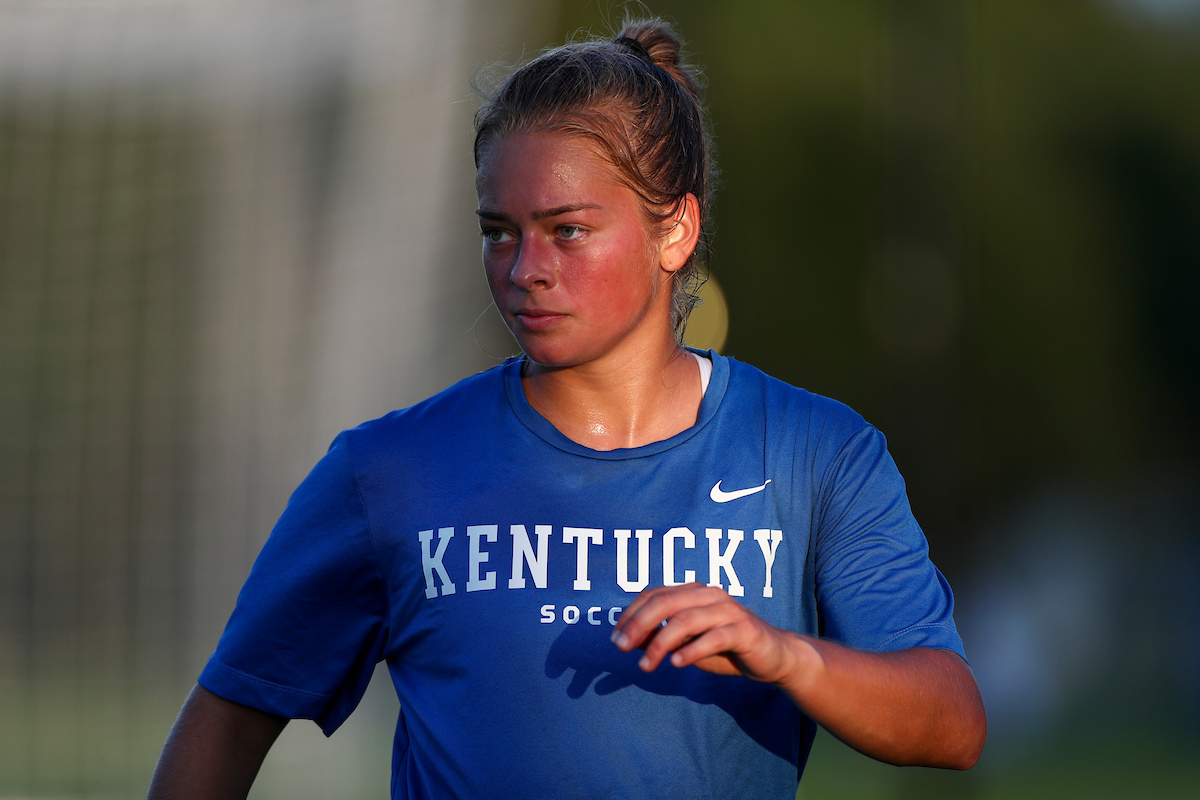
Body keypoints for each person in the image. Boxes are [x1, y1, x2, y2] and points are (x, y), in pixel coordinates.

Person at [148, 17, 985, 800]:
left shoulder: (815, 454)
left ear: (675, 231)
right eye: (499, 231)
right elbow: (229, 716)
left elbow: (951, 723)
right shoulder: (388, 471)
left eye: (568, 230)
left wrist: (784, 655)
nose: (525, 270)